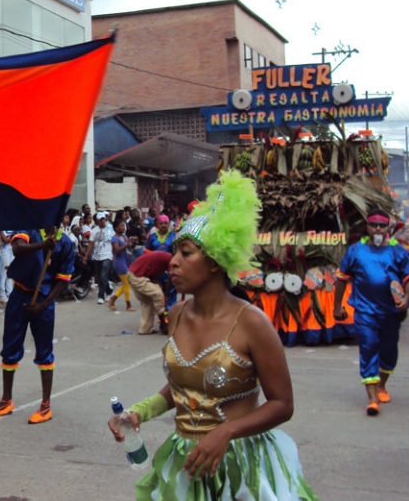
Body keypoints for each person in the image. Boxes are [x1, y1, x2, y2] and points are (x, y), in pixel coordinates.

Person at [108, 170, 316, 500]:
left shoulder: (252, 323)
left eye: (186, 254)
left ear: (216, 262)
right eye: (174, 253)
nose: (172, 263)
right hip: (187, 463)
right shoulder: (174, 315)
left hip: (241, 467)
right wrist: (139, 413)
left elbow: (282, 404)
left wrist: (226, 432)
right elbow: (181, 387)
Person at [0, 227, 74, 424]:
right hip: (19, 295)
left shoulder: (65, 243)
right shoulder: (30, 229)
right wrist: (43, 245)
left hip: (43, 301)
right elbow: (17, 248)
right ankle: (6, 401)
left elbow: (63, 279)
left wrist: (44, 304)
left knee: (44, 352)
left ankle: (45, 405)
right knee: (9, 349)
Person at [333, 209, 409, 416]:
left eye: (382, 225)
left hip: (391, 313)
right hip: (364, 312)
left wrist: (406, 300)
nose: (378, 229)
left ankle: (381, 385)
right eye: (374, 225)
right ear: (367, 227)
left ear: (388, 228)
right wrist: (338, 307)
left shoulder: (398, 251)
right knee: (369, 348)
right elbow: (341, 278)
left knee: (389, 353)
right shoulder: (355, 251)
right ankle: (372, 399)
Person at [127, 250, 172, 335]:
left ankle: (145, 329)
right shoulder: (170, 259)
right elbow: (170, 277)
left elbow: (151, 270)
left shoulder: (164, 257)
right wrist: (166, 295)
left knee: (147, 302)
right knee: (158, 294)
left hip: (134, 274)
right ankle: (163, 322)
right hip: (137, 276)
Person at [84, 211, 114, 304]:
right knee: (100, 276)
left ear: (105, 219)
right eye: (100, 220)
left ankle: (101, 296)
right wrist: (86, 256)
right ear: (97, 221)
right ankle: (109, 291)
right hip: (97, 255)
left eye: (103, 219)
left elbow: (114, 241)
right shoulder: (94, 231)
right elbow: (91, 244)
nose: (102, 221)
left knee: (104, 274)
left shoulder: (110, 229)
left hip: (107, 254)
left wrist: (114, 254)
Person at [108, 219, 135, 312]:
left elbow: (128, 247)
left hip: (125, 260)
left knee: (126, 283)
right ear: (116, 228)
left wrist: (131, 243)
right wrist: (126, 245)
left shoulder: (124, 236)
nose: (123, 228)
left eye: (124, 226)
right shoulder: (114, 238)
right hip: (119, 262)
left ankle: (112, 299)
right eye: (121, 226)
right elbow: (116, 250)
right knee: (127, 283)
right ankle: (128, 304)